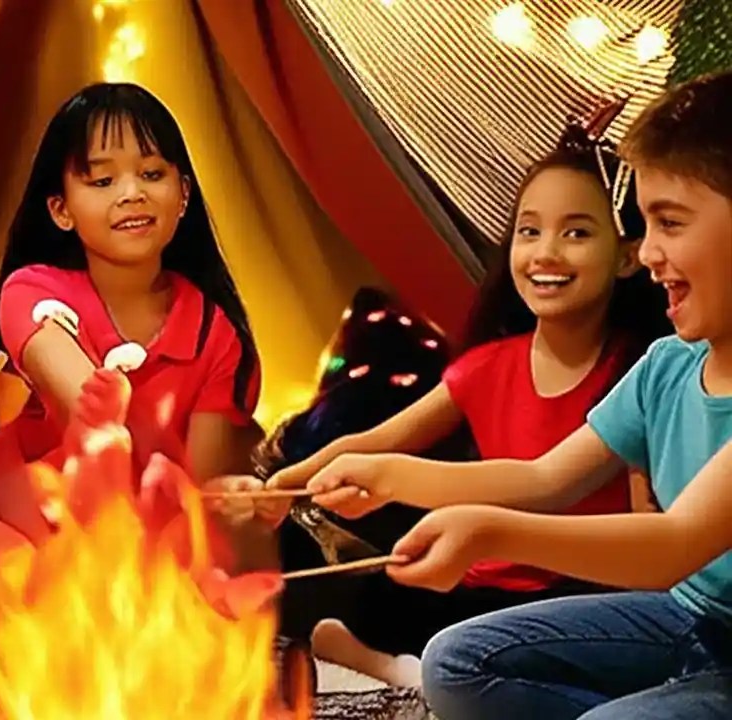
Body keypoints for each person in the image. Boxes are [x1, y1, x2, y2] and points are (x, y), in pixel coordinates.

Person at [303, 70, 732, 719]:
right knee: (455, 661)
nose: (647, 253)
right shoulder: (666, 367)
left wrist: (488, 534)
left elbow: (677, 541)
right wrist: (390, 475)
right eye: (644, 226)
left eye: (670, 223)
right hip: (685, 622)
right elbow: (542, 478)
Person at [235, 122, 672, 686]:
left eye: (577, 233)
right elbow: (374, 444)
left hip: (579, 585)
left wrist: (393, 476)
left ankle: (404, 670)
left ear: (629, 257)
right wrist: (279, 487)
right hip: (477, 575)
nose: (546, 252)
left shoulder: (641, 371)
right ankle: (398, 661)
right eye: (528, 231)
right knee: (374, 589)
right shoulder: (487, 366)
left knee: (518, 635)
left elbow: (608, 510)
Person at [0, 82, 263, 534]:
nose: (132, 193)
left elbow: (198, 492)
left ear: (183, 194)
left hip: (134, 555)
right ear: (61, 210)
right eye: (103, 181)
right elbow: (89, 410)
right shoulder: (32, 291)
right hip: (2, 529)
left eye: (151, 174)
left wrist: (235, 499)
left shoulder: (215, 335)